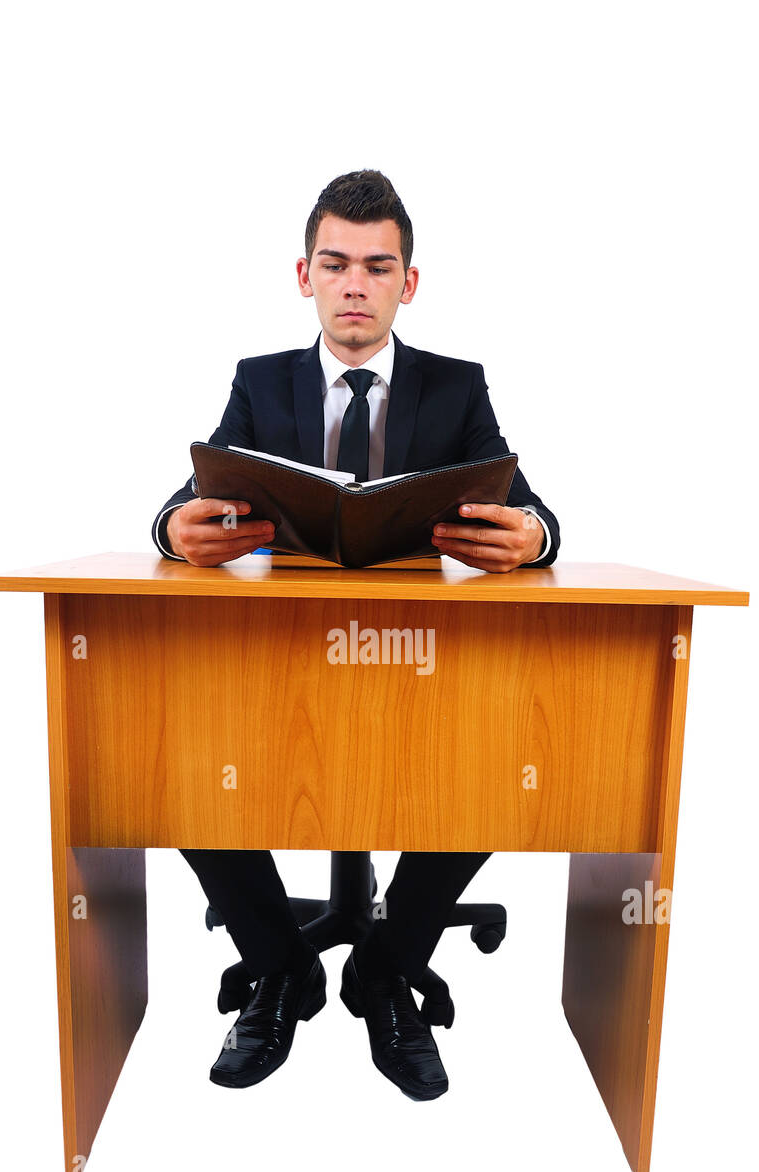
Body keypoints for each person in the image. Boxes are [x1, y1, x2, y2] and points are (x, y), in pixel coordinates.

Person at [151, 169, 560, 1102]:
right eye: (334, 264)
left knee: (496, 771)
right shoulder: (261, 383)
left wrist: (533, 538)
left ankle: (384, 968)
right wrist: (170, 527)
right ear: (304, 274)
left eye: (377, 267)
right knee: (172, 766)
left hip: (418, 665)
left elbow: (530, 510)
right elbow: (192, 494)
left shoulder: (456, 389)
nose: (354, 284)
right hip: (278, 666)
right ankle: (279, 967)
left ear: (406, 284)